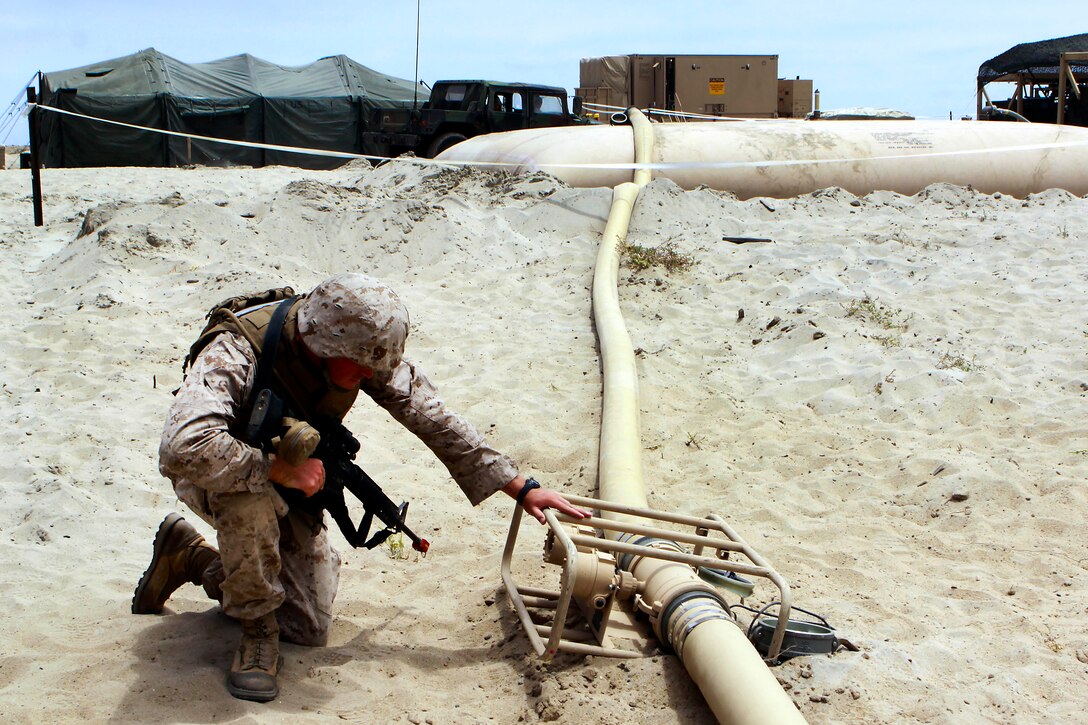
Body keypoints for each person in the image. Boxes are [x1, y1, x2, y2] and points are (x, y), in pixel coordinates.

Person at [131, 273, 587, 702]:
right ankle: (256, 633)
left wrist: (520, 486)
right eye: (362, 367)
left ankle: (190, 556)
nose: (371, 376)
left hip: (292, 479)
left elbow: (431, 415)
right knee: (250, 507)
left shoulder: (358, 350)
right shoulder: (237, 350)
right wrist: (279, 472)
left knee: (307, 627)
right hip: (215, 472)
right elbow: (183, 446)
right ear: (323, 343)